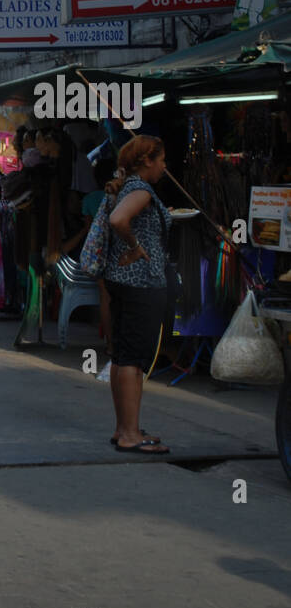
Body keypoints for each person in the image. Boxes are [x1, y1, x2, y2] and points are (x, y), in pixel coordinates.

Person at [103, 136, 172, 454]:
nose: (164, 166)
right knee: (134, 358)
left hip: (122, 281)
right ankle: (131, 434)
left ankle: (123, 428)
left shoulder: (127, 187)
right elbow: (119, 220)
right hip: (141, 283)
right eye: (161, 160)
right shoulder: (141, 190)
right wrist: (135, 246)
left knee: (121, 355)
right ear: (147, 161)